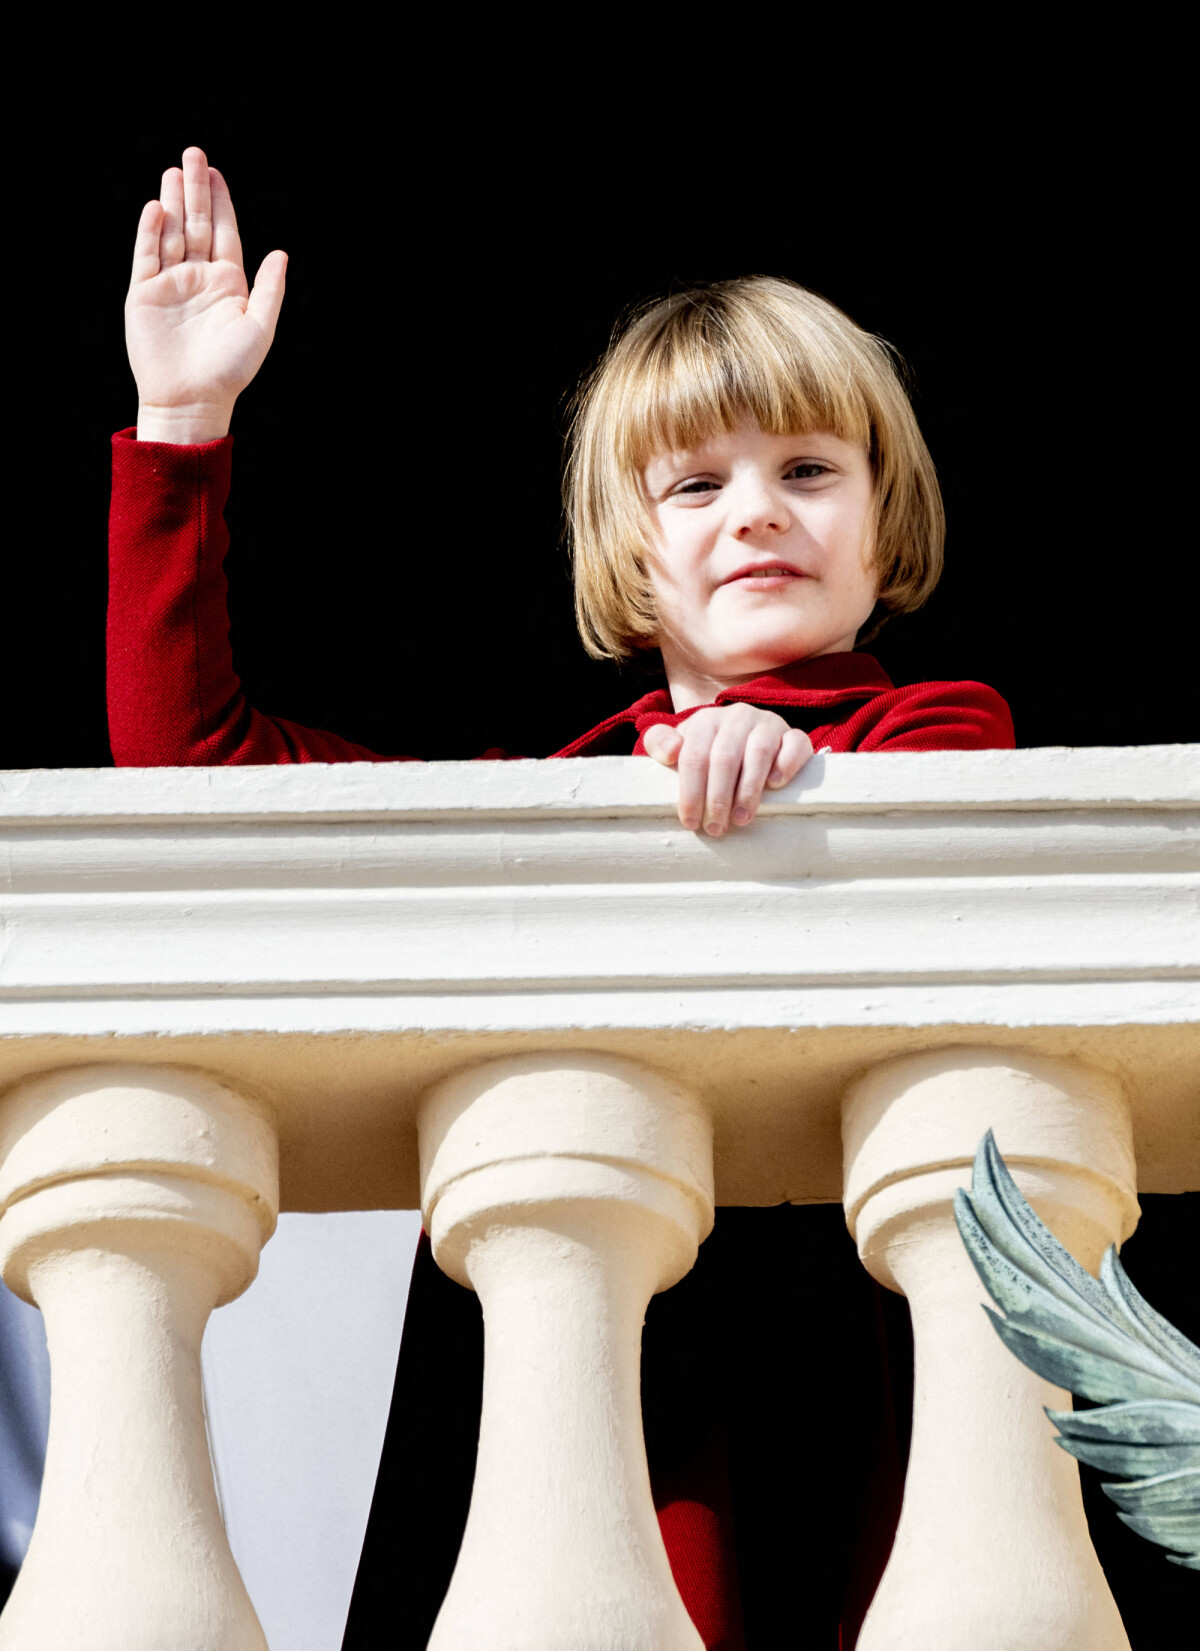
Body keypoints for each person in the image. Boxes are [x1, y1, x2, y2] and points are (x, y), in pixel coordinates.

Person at [110, 148, 1014, 1649]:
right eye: (696, 483)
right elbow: (195, 765)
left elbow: (953, 808)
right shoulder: (559, 788)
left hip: (839, 1334)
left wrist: (789, 754)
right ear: (632, 552)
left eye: (808, 471)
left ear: (882, 516)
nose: (755, 514)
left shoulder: (938, 726)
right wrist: (182, 428)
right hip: (572, 1344)